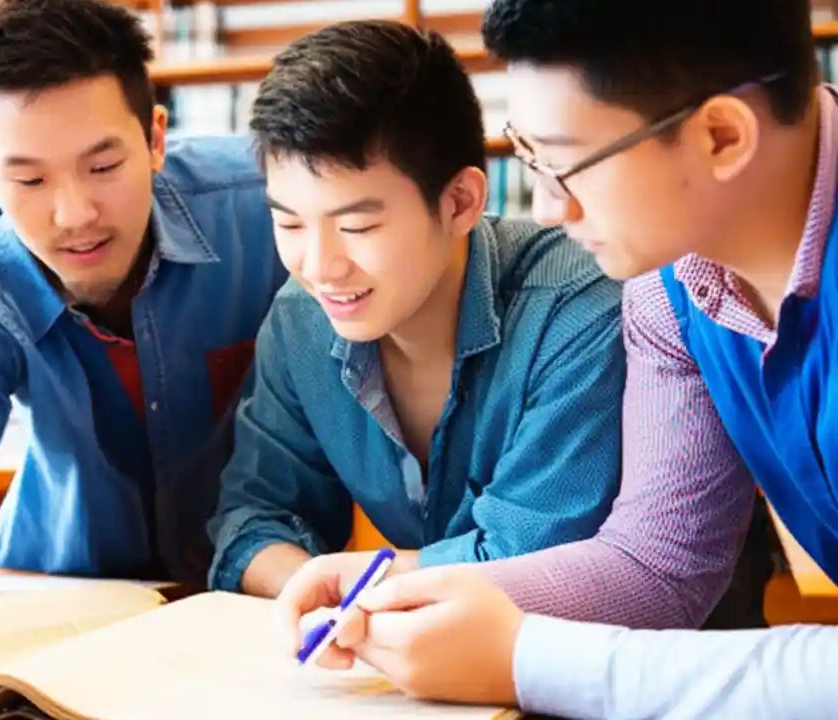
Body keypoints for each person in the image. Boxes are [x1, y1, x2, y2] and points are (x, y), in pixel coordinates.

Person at [274, 0, 838, 717]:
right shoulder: (669, 286)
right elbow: (660, 563)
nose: (545, 207)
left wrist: (526, 661)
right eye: (528, 155)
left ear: (723, 136)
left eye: (568, 166)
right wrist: (399, 589)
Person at [0, 0, 286, 632]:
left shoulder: (273, 209)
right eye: (29, 182)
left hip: (264, 597)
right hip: (62, 598)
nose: (75, 215)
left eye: (104, 166)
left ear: (155, 138)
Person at [206, 20, 624, 598]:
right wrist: (314, 592)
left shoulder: (577, 312)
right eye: (289, 222)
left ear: (459, 203)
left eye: (358, 225)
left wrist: (347, 589)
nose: (319, 265)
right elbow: (254, 519)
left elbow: (527, 565)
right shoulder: (302, 317)